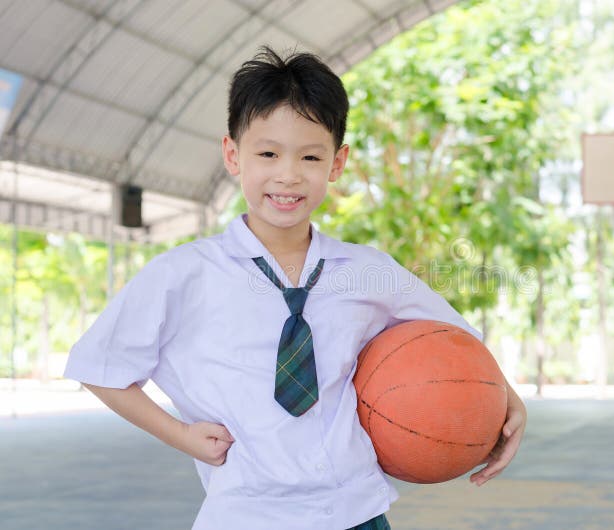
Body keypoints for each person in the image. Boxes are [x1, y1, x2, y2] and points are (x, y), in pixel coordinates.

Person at [64, 46, 527, 530]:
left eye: (310, 156)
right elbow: (99, 366)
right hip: (247, 513)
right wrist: (181, 435)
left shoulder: (367, 271)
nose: (288, 175)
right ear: (232, 155)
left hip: (355, 511)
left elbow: (457, 340)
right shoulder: (184, 274)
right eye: (268, 153)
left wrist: (507, 399)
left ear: (337, 163)